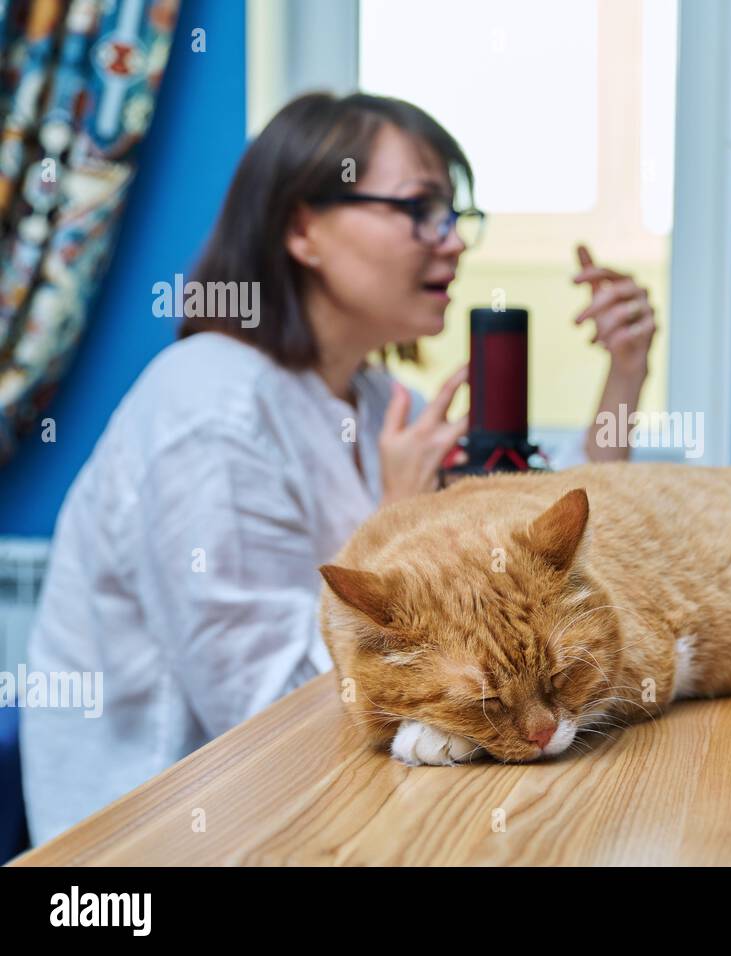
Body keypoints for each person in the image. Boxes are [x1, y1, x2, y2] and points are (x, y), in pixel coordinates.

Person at [20, 92, 657, 844]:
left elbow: (541, 584)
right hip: (175, 839)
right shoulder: (207, 409)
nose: (452, 242)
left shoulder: (380, 397)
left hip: (334, 812)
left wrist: (625, 376)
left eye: (456, 216)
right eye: (421, 208)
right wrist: (394, 517)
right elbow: (263, 710)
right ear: (302, 228)